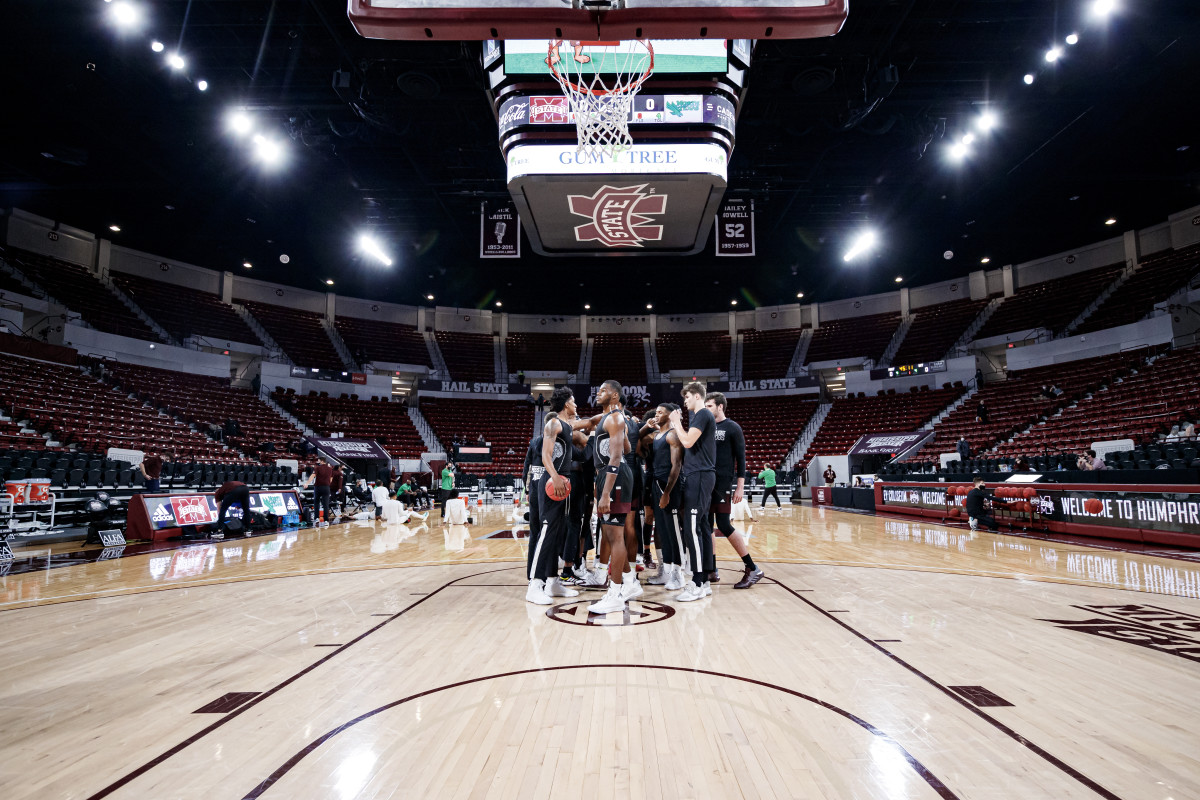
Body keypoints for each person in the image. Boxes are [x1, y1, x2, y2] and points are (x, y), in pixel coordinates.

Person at [528, 388, 583, 605]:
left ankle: (552, 581)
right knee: (547, 531)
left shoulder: (568, 426)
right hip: (552, 482)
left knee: (557, 533)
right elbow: (545, 455)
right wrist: (556, 477)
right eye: (574, 401)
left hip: (562, 483)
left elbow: (588, 423)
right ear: (567, 404)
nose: (577, 405)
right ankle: (535, 584)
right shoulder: (554, 424)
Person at [587, 380, 638, 613]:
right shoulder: (615, 419)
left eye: (603, 390)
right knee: (610, 533)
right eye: (598, 390)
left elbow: (617, 458)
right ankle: (630, 583)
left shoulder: (616, 419)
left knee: (615, 537)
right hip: (608, 476)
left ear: (615, 395)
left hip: (614, 477)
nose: (599, 393)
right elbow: (626, 448)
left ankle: (615, 594)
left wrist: (605, 493)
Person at [705, 392, 764, 589]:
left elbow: (741, 459)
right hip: (707, 483)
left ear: (720, 407)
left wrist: (740, 486)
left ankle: (752, 567)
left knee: (723, 524)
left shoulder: (732, 427)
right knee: (707, 525)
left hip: (723, 484)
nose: (707, 409)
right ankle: (712, 569)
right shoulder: (706, 427)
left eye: (710, 406)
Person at [669, 381, 717, 602]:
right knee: (702, 527)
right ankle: (704, 580)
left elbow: (687, 441)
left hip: (699, 476)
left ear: (697, 396)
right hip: (701, 476)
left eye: (687, 397)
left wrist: (677, 423)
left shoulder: (702, 414)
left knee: (691, 528)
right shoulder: (702, 417)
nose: (685, 401)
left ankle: (697, 582)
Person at [646, 404, 686, 589]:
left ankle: (679, 574)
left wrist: (667, 493)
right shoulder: (657, 436)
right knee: (663, 530)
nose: (657, 414)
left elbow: (676, 466)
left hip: (669, 487)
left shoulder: (672, 434)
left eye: (661, 412)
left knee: (674, 531)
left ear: (670, 416)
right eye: (657, 411)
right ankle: (667, 573)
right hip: (656, 484)